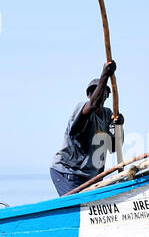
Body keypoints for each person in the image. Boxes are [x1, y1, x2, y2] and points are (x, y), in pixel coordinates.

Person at [49, 59, 125, 196]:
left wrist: (119, 126)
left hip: (90, 178)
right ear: (89, 95)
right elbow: (93, 104)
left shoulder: (108, 115)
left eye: (102, 91)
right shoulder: (82, 108)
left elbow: (114, 147)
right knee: (78, 208)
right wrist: (105, 75)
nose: (99, 94)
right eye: (94, 92)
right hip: (68, 173)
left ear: (107, 95)